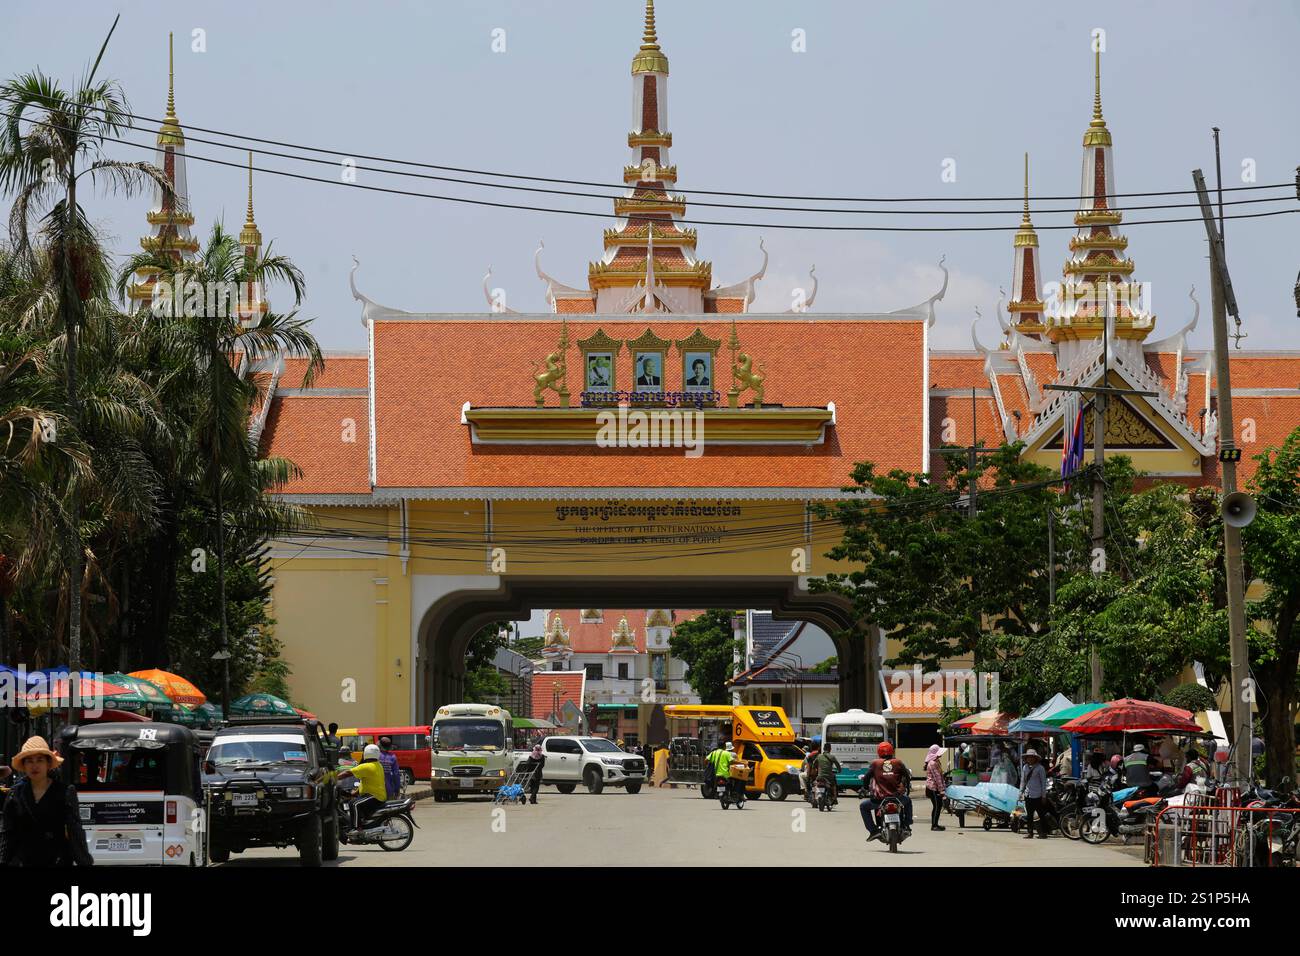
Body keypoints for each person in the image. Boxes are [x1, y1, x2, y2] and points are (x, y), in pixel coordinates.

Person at [0, 736, 94, 867]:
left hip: (57, 859)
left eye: (40, 760)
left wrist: (85, 862)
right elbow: (7, 834)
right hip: (24, 860)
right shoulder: (14, 794)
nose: (35, 766)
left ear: (48, 764)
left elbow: (75, 831)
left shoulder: (65, 791)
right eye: (29, 761)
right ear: (24, 765)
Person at [860, 741, 912, 842]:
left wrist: (865, 788)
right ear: (892, 751)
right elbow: (907, 776)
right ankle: (906, 824)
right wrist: (907, 788)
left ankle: (873, 831)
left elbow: (866, 778)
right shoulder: (898, 762)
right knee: (908, 801)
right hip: (897, 797)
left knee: (863, 806)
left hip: (879, 799)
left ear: (879, 752)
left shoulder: (875, 763)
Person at [336, 744, 387, 835]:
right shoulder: (378, 765)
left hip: (374, 796)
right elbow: (366, 783)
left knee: (354, 804)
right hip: (375, 795)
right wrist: (354, 793)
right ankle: (362, 824)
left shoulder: (367, 766)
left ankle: (356, 828)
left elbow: (348, 773)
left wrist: (333, 778)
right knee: (354, 801)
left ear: (366, 754)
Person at [1019, 748, 1048, 839]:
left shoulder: (1040, 768)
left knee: (1041, 815)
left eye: (1032, 757)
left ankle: (1043, 833)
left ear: (1035, 758)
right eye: (1028, 757)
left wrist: (1044, 796)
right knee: (1029, 815)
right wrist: (1021, 792)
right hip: (1028, 794)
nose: (1030, 759)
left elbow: (1043, 782)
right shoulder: (1025, 767)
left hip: (1038, 795)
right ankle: (1030, 832)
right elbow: (1023, 781)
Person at [923, 743, 947, 831]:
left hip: (934, 788)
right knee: (937, 806)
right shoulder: (933, 763)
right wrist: (942, 791)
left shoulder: (936, 761)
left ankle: (935, 824)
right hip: (933, 788)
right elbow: (937, 779)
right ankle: (934, 825)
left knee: (937, 806)